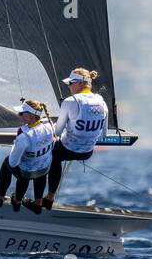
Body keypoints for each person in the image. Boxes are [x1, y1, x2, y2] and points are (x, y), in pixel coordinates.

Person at [41, 67, 109, 208]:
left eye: (71, 83)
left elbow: (57, 132)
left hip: (67, 149)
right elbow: (104, 134)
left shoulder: (69, 101)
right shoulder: (101, 101)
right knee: (57, 152)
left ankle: (46, 198)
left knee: (50, 155)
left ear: (80, 83)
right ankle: (48, 198)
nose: (69, 86)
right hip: (87, 153)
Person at [0, 99, 55, 214]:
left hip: (28, 172)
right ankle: (37, 204)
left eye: (21, 113)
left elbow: (13, 163)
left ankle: (1, 198)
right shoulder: (50, 125)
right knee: (37, 165)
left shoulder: (24, 135)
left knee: (8, 163)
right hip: (45, 169)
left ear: (31, 116)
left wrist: (17, 144)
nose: (19, 116)